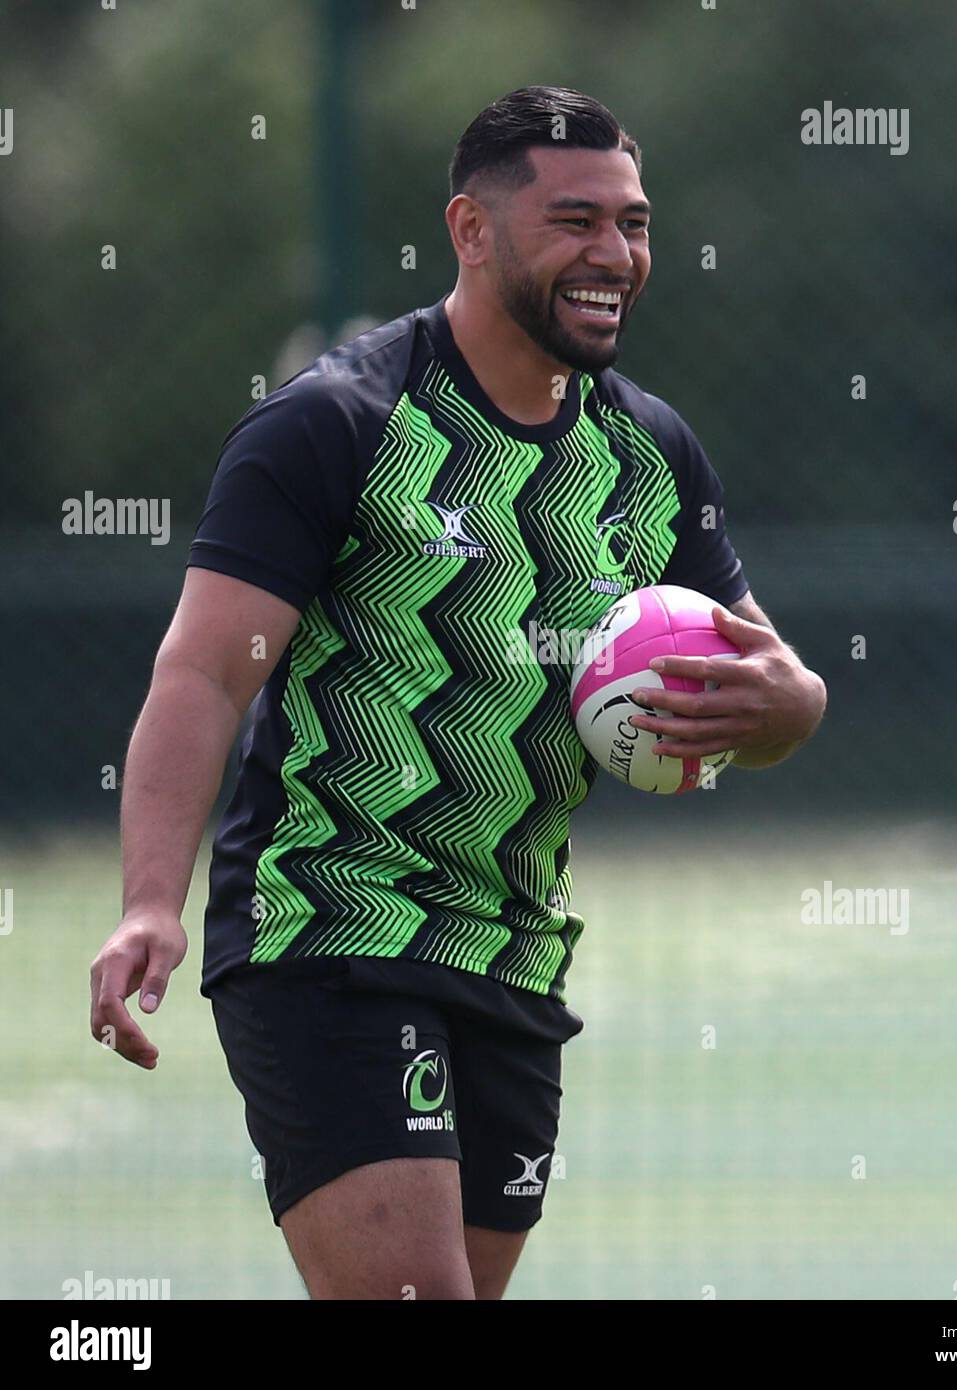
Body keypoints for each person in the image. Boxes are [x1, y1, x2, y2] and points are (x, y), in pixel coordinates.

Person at [89, 86, 826, 1300]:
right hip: (332, 924)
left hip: (518, 952)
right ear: (470, 232)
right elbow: (205, 670)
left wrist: (788, 711)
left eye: (633, 225)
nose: (615, 255)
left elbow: (774, 677)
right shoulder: (335, 423)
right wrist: (148, 902)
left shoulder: (651, 453)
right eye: (575, 221)